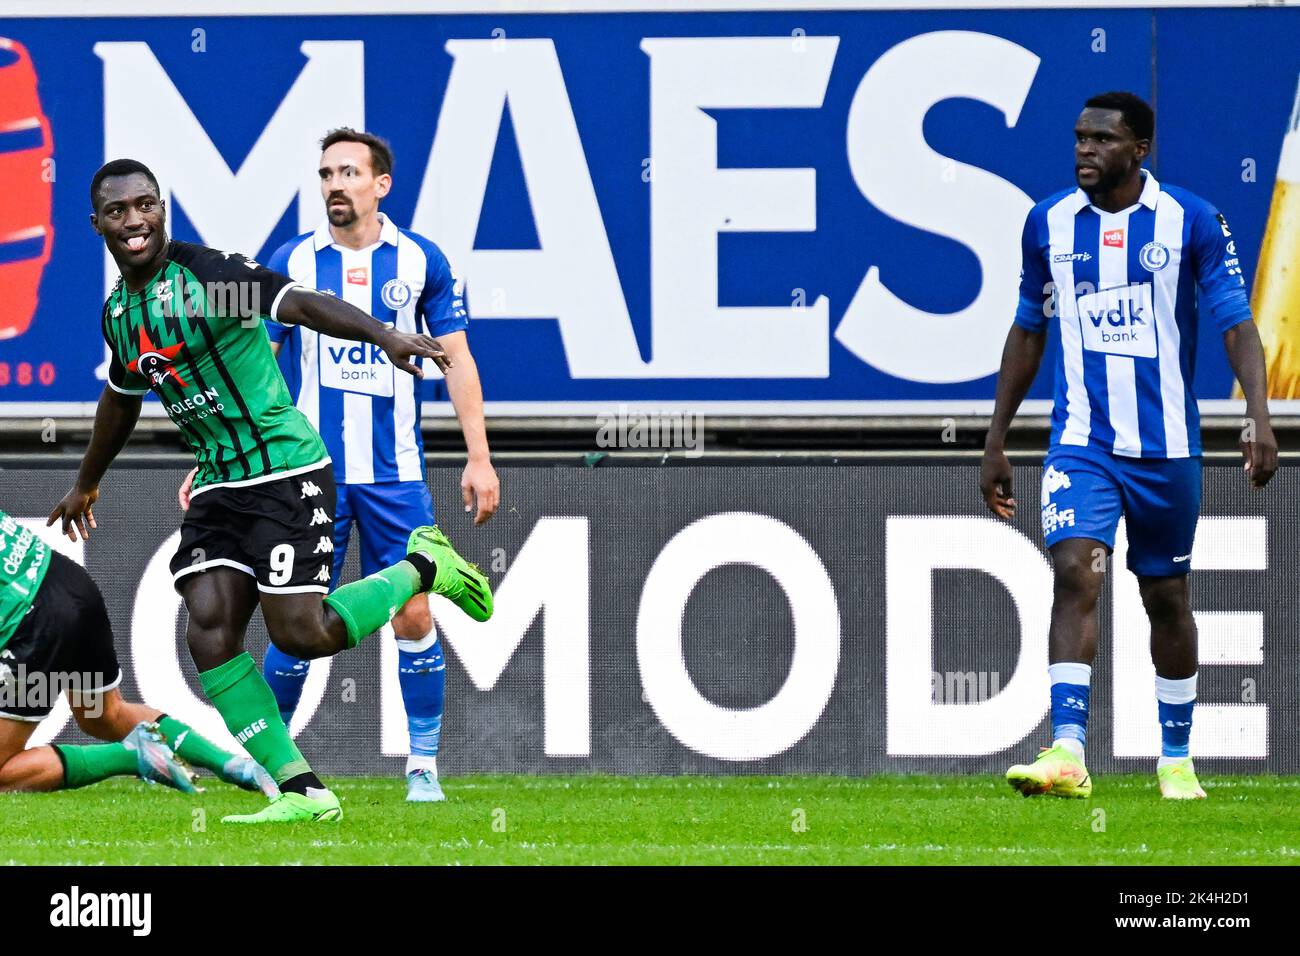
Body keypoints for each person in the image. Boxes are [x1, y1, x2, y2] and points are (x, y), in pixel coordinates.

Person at [49, 159, 493, 824]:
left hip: (286, 472)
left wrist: (384, 334)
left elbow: (300, 302)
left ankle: (428, 566)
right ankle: (303, 791)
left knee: (304, 634)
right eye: (119, 212)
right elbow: (121, 396)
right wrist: (86, 483)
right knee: (208, 628)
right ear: (98, 224)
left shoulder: (209, 276)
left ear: (162, 209)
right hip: (221, 483)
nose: (135, 221)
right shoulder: (119, 313)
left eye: (146, 205)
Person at [180, 129, 498, 802]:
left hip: (394, 473)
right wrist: (221, 451)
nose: (334, 184)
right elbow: (246, 360)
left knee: (412, 611)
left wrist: (478, 456)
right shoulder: (291, 259)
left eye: (349, 172)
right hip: (302, 473)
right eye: (325, 173)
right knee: (291, 625)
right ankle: (276, 766)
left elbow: (457, 358)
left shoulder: (422, 261)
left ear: (381, 184)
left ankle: (422, 767)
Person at [980, 92, 1277, 800]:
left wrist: (1259, 417)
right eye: (1079, 138)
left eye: (1102, 140)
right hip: (1081, 441)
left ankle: (1175, 757)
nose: (1085, 150)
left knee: (1165, 596)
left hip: (1168, 448)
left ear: (1140, 149)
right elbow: (1029, 328)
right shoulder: (1046, 223)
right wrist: (995, 438)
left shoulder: (1191, 221)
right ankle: (1068, 751)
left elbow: (1236, 323)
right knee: (1075, 573)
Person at [0, 508, 276, 798]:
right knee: (102, 714)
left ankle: (132, 755)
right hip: (69, 585)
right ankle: (234, 766)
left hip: (36, 619)